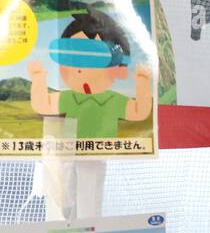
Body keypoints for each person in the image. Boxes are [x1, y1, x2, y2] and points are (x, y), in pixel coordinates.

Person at [27, 11, 153, 141]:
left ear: (118, 68)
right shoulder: (69, 97)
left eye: (95, 60)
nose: (80, 68)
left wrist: (142, 82)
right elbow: (42, 105)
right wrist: (38, 79)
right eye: (72, 58)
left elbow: (139, 112)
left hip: (105, 150)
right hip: (71, 150)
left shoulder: (112, 100)